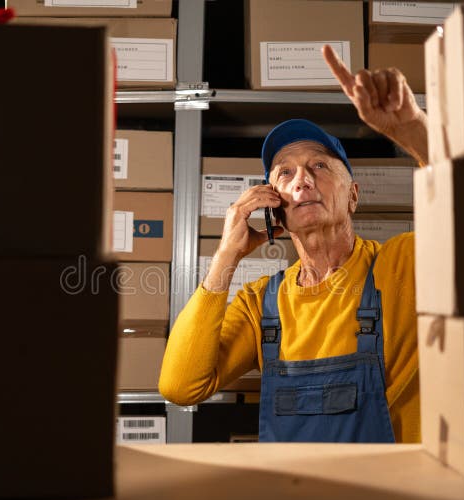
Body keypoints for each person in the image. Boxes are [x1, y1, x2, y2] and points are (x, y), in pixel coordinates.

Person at [159, 46, 429, 443]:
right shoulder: (261, 304)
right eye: (285, 173)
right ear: (275, 208)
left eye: (319, 165)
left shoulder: (405, 262)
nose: (302, 180)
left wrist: (414, 132)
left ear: (353, 195)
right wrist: (226, 256)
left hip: (394, 498)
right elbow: (180, 386)